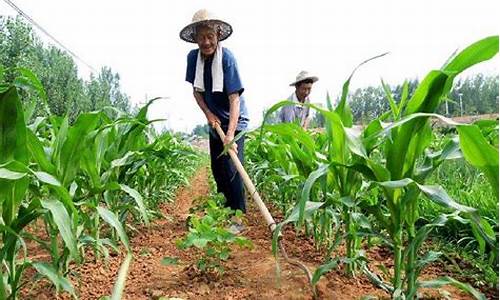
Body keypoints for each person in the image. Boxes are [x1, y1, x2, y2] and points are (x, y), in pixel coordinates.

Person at [180, 9, 249, 231]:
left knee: (232, 168)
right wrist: (209, 115)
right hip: (215, 120)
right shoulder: (193, 58)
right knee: (217, 167)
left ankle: (238, 217)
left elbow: (234, 99)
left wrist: (230, 136)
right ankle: (225, 210)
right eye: (202, 37)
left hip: (235, 121)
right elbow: (196, 92)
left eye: (210, 36)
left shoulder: (227, 58)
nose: (206, 41)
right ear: (195, 38)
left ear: (218, 34)